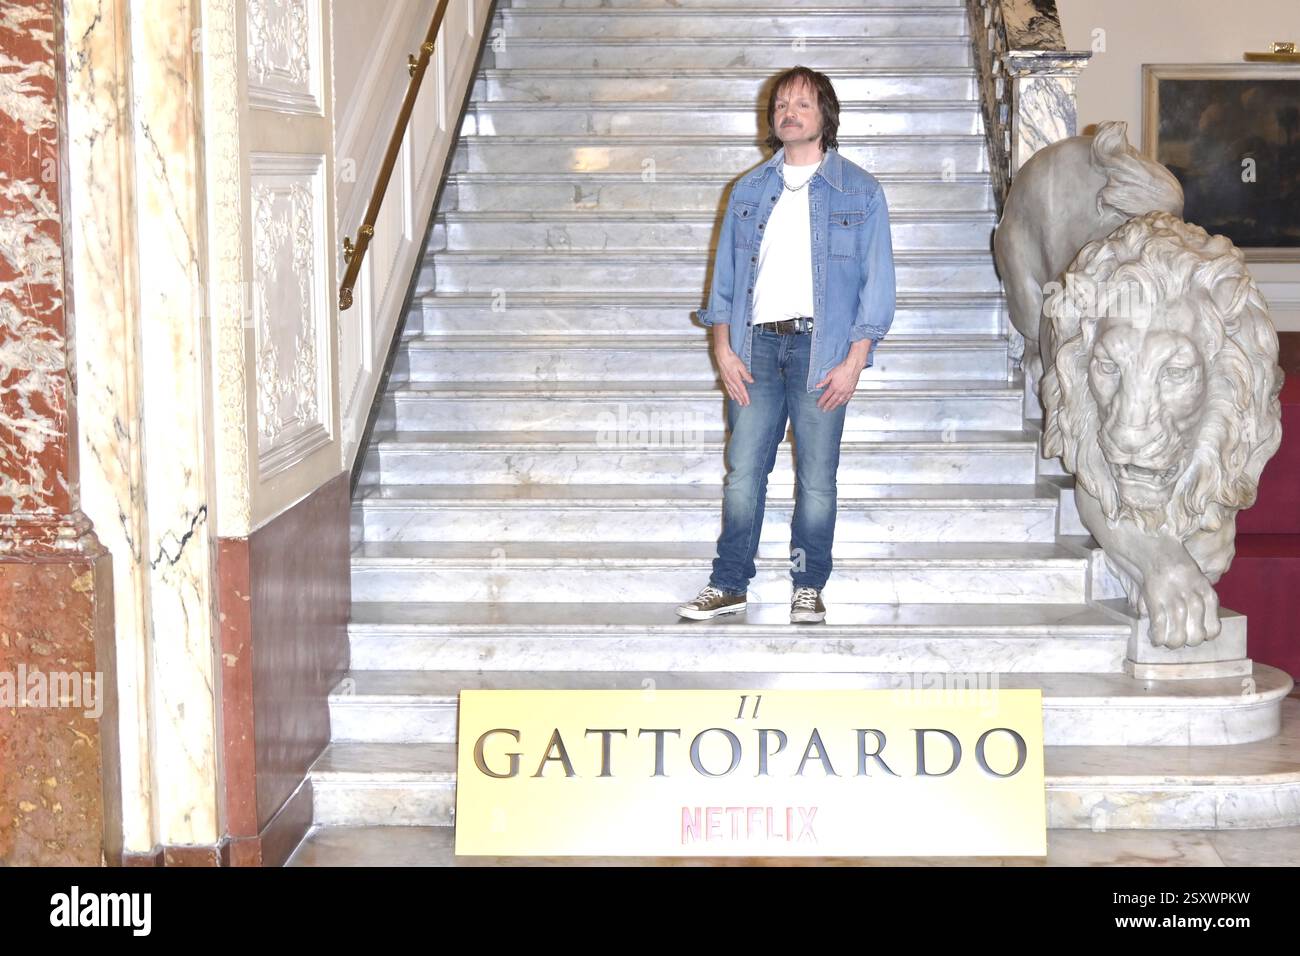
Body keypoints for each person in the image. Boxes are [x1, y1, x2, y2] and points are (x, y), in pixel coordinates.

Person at [677, 66, 897, 624]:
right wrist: (723, 350)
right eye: (780, 105)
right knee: (744, 473)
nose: (788, 113)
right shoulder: (749, 190)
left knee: (817, 478)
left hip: (820, 354)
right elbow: (724, 283)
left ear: (825, 115)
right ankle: (729, 583)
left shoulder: (860, 191)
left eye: (801, 104)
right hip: (754, 353)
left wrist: (855, 359)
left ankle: (808, 586)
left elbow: (879, 285)